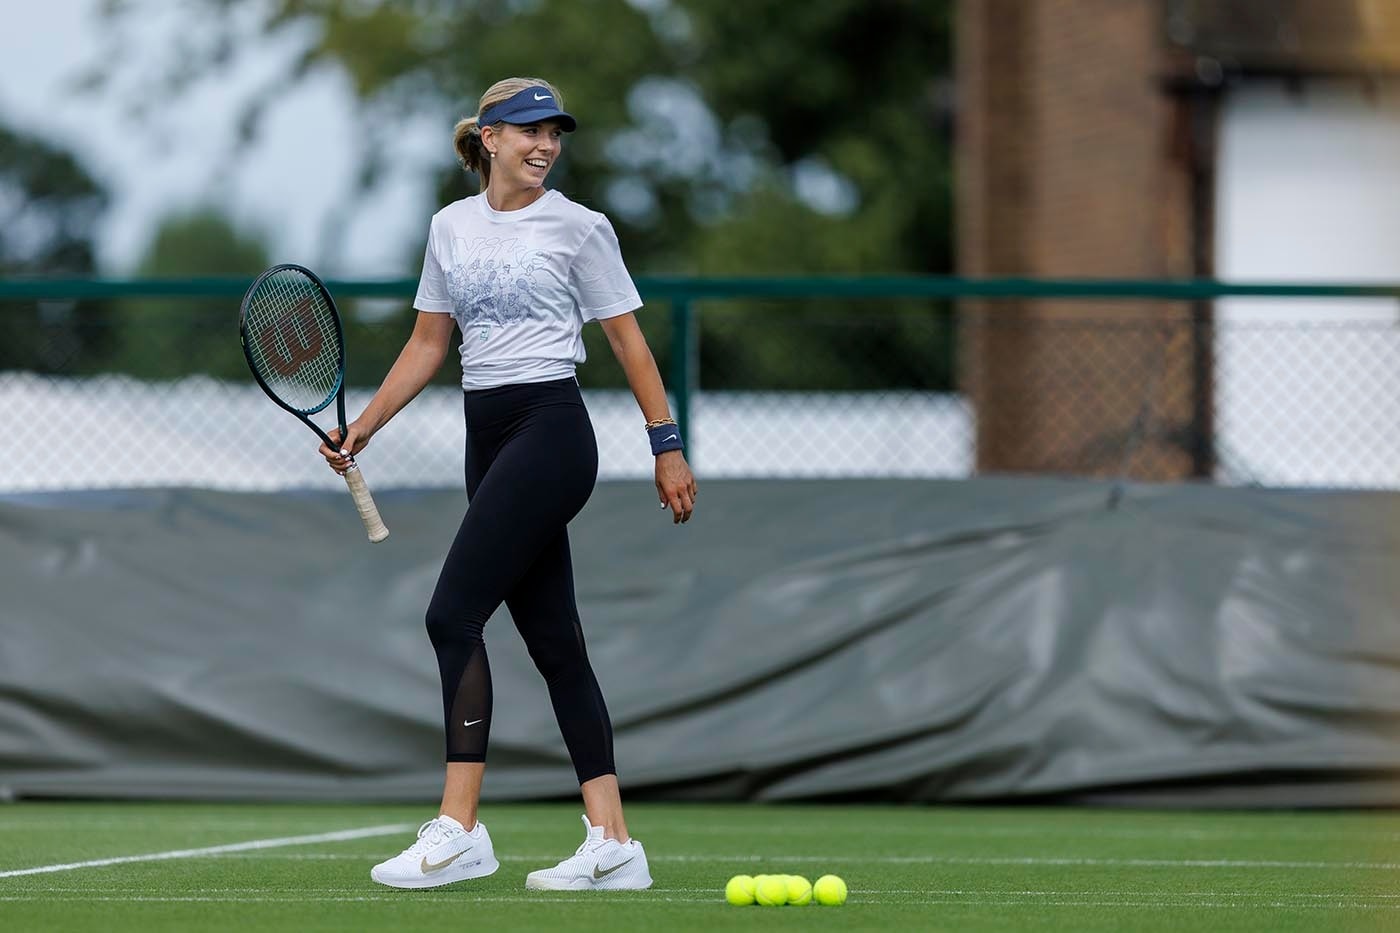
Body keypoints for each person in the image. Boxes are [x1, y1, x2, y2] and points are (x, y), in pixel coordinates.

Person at [319, 76, 696, 891]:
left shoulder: (581, 227)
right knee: (556, 642)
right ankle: (615, 842)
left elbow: (629, 343)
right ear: (487, 138)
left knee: (452, 614)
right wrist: (365, 427)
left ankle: (458, 828)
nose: (545, 146)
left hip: (553, 434)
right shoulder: (448, 226)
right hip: (484, 438)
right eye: (528, 131)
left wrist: (666, 446)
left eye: (555, 133)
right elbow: (427, 344)